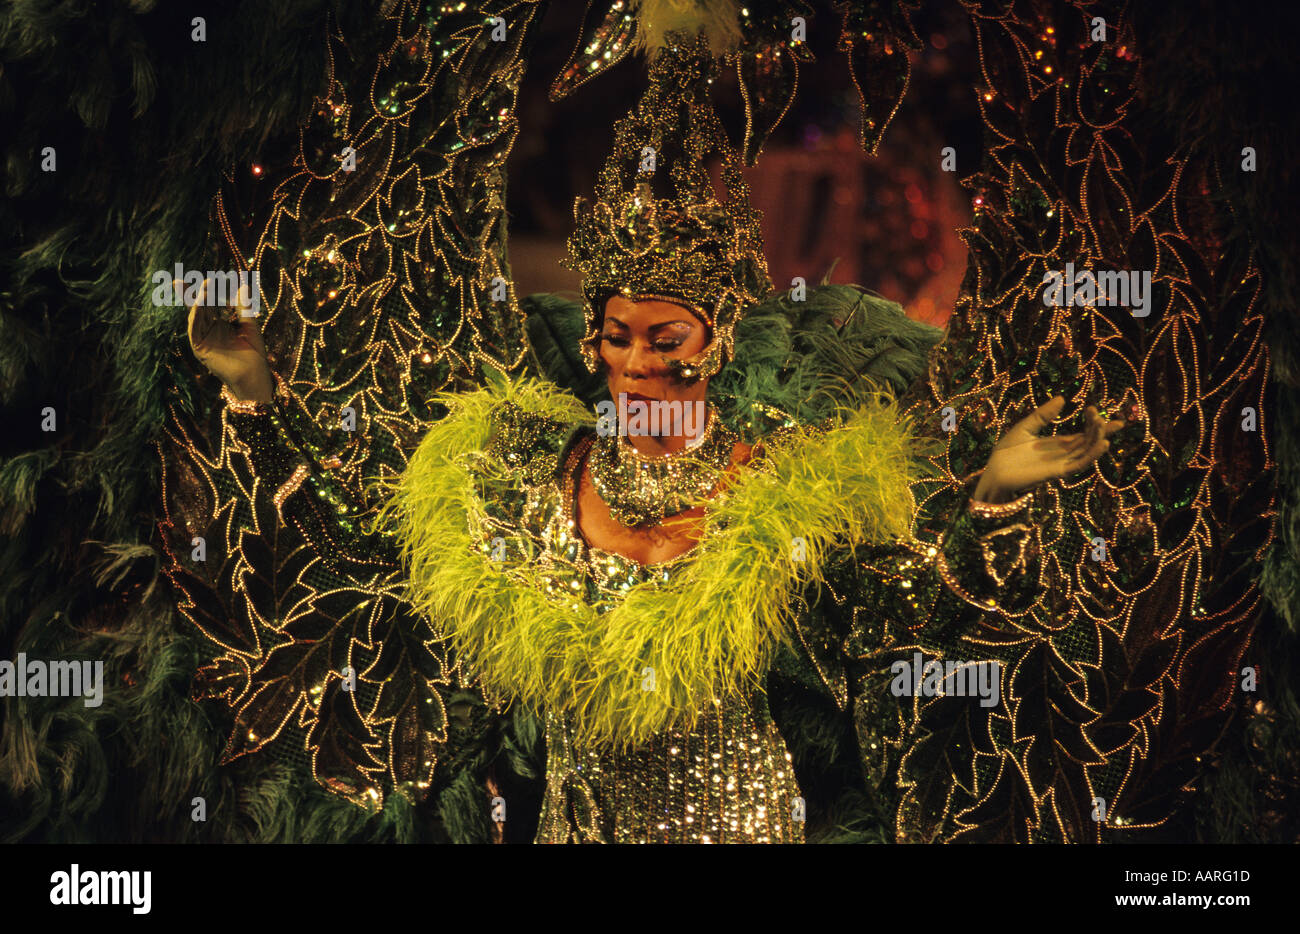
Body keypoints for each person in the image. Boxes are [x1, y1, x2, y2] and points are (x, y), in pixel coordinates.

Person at [186, 37, 1124, 843]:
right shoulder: (523, 479)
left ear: (713, 343)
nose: (633, 361)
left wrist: (994, 490)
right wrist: (256, 396)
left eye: (664, 337)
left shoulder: (789, 493)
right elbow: (380, 571)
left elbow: (902, 625)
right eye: (616, 334)